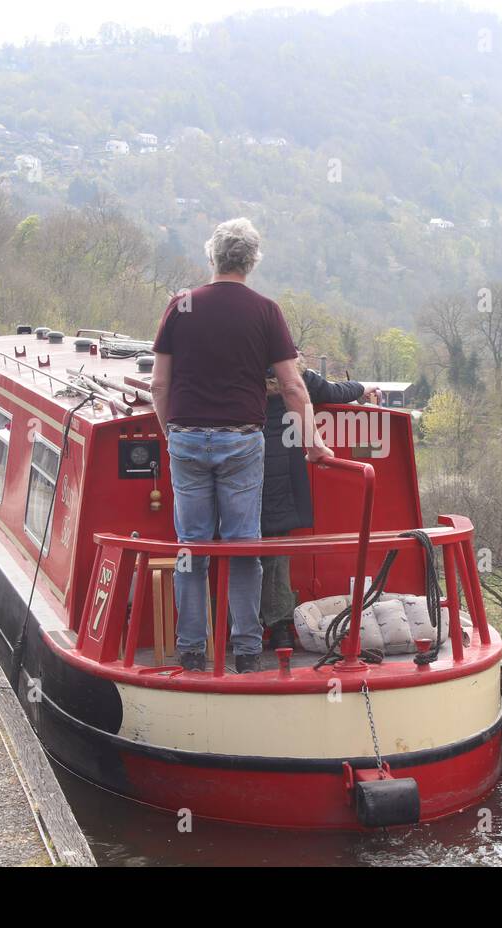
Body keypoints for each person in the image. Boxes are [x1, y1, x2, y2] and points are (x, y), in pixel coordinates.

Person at [151, 219, 332, 674]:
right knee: (243, 547)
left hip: (187, 438)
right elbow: (293, 387)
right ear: (251, 262)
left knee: (191, 546)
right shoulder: (266, 311)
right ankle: (248, 651)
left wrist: (170, 435)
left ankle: (193, 650)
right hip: (242, 441)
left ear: (212, 256)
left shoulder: (181, 305)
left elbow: (158, 384)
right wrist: (313, 445)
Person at [260, 359, 378, 649]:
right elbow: (333, 391)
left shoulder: (234, 369)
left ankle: (231, 630)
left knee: (233, 549)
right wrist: (363, 387)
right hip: (280, 475)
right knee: (275, 549)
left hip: (234, 471)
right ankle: (280, 628)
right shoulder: (293, 375)